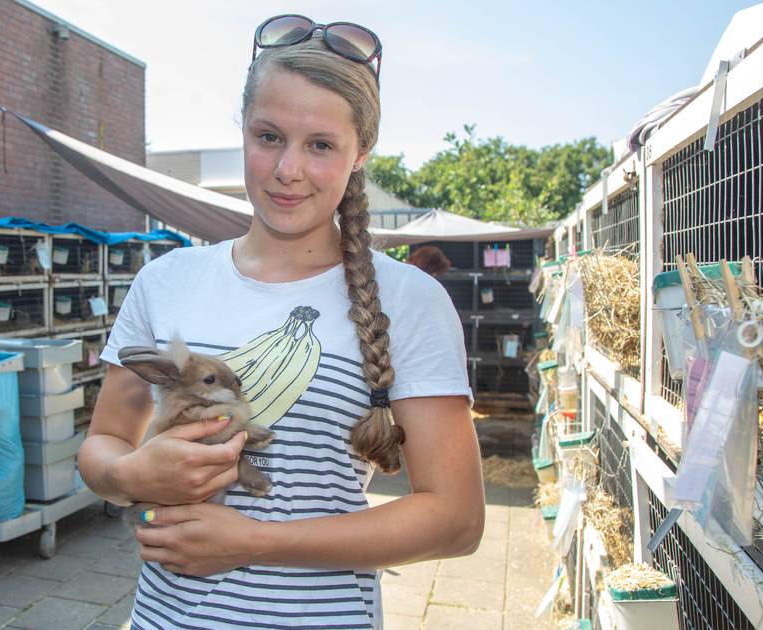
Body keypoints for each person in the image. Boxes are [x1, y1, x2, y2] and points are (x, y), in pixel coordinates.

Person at [78, 14, 483, 629]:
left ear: (360, 154)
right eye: (268, 136)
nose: (287, 169)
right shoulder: (165, 280)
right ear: (242, 129)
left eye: (320, 145)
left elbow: (456, 520)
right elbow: (101, 447)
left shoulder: (411, 300)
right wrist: (128, 473)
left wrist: (255, 541)